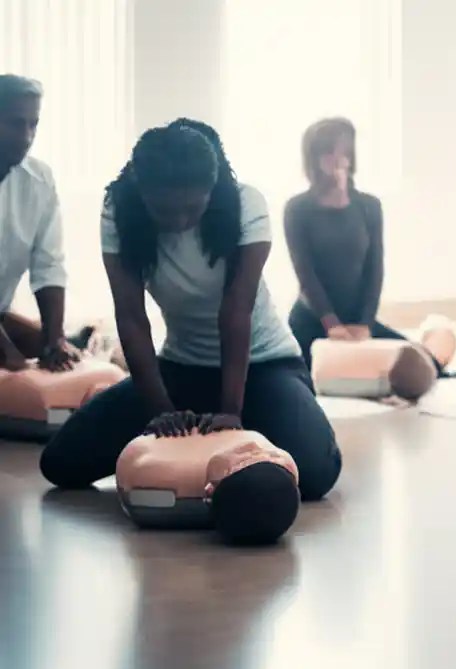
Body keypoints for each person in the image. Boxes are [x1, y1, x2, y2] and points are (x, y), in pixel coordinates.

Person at [39, 119, 342, 502]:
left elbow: (236, 310)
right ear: (142, 192)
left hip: (263, 366)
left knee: (314, 474)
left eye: (192, 208)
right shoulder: (119, 209)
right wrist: (160, 410)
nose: (179, 221)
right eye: (164, 210)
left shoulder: (245, 203)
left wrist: (231, 411)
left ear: (212, 190)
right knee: (61, 463)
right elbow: (131, 316)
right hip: (182, 367)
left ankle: (264, 419)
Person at [284, 117, 403, 367]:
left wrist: (365, 324)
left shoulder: (369, 206)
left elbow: (375, 269)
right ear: (314, 158)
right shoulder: (297, 209)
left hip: (358, 324)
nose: (337, 158)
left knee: (422, 363)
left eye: (343, 150)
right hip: (313, 321)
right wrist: (331, 323)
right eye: (328, 151)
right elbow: (305, 274)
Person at [0, 74, 79, 373]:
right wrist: (11, 356)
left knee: (69, 358)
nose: (26, 137)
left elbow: (48, 265)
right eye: (15, 124)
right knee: (20, 374)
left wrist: (54, 339)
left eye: (33, 124)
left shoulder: (39, 179)